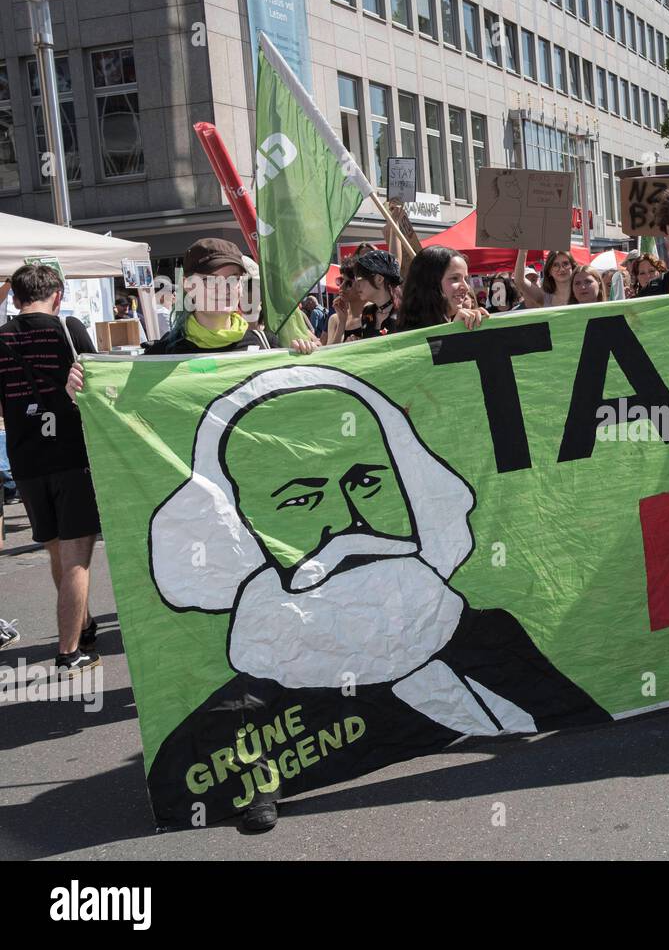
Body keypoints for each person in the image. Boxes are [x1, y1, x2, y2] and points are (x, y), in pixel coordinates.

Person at [143, 364, 611, 831]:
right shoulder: (229, 715)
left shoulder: (492, 636)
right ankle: (262, 790)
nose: (349, 521)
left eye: (367, 482)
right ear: (242, 528)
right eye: (301, 501)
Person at [0, 263, 101, 675]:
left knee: (57, 549)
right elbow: (100, 384)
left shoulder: (1, 338)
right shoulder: (68, 330)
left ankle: (85, 621)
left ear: (14, 296)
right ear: (57, 296)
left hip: (25, 458)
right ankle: (68, 652)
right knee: (78, 553)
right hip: (70, 455)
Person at [136, 239, 317, 355]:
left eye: (233, 279)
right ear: (189, 285)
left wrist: (301, 361)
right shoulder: (162, 354)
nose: (224, 289)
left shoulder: (266, 345)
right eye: (211, 280)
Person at [396, 246, 486, 331]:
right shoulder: (408, 335)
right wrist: (453, 333)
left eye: (465, 279)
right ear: (430, 282)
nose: (466, 287)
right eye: (455, 278)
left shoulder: (458, 322)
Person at [353, 250, 402, 335]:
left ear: (379, 279)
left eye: (360, 279)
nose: (357, 284)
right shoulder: (367, 313)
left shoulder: (405, 313)